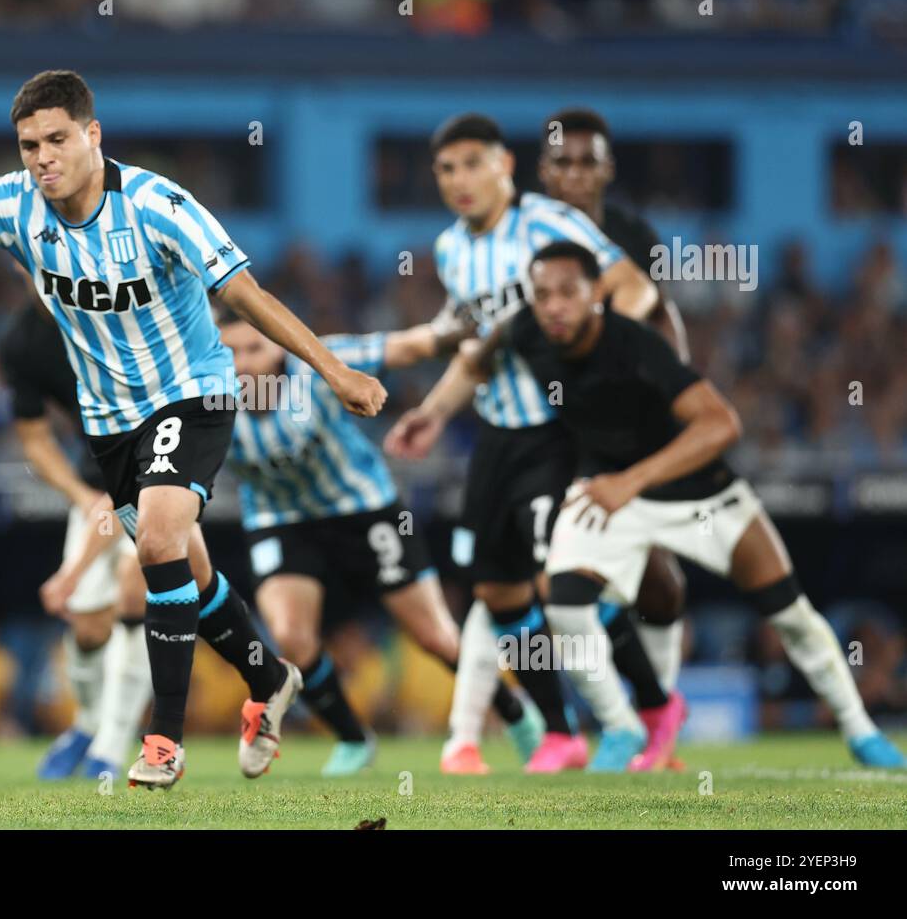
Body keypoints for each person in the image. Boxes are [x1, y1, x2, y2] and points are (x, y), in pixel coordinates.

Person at [0, 69, 386, 789]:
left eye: (57, 139)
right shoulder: (13, 202)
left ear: (92, 135)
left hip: (193, 393)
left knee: (156, 541)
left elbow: (245, 293)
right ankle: (270, 677)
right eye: (29, 144)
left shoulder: (159, 207)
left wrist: (334, 371)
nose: (42, 157)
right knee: (192, 577)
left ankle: (163, 741)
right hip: (111, 422)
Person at [460, 240, 905, 770]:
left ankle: (859, 729)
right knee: (564, 606)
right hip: (611, 494)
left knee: (791, 615)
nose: (554, 305)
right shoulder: (527, 331)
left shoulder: (636, 347)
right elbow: (480, 352)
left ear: (598, 292)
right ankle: (622, 726)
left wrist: (633, 479)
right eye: (542, 295)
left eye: (567, 292)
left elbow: (722, 423)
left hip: (699, 493)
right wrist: (465, 374)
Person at [385, 112, 664, 772]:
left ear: (505, 164)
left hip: (558, 430)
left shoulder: (548, 224)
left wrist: (600, 362)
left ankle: (631, 719)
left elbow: (633, 287)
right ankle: (562, 733)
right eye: (447, 169)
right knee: (499, 593)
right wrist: (432, 409)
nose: (461, 180)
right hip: (497, 433)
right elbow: (480, 350)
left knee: (560, 581)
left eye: (473, 164)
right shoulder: (452, 249)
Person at [211, 308, 544, 776]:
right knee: (291, 638)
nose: (243, 363)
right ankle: (352, 738)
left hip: (363, 509)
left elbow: (408, 345)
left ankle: (516, 714)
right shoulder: (203, 397)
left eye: (254, 348)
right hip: (281, 520)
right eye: (230, 353)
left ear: (278, 346)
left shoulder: (319, 364)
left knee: (434, 636)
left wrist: (464, 329)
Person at [538, 107, 688, 715]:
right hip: (545, 426)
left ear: (607, 170)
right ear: (543, 172)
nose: (575, 175)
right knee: (535, 578)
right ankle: (559, 726)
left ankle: (659, 712)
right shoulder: (523, 234)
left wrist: (679, 387)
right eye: (562, 162)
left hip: (625, 426)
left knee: (658, 579)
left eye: (586, 162)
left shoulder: (635, 237)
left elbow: (661, 318)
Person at [0, 299, 152, 780]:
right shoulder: (23, 343)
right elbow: (36, 438)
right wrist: (79, 496)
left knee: (135, 585)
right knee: (87, 627)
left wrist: (70, 573)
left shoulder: (123, 306)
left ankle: (109, 747)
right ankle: (87, 725)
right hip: (98, 481)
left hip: (165, 470)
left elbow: (123, 495)